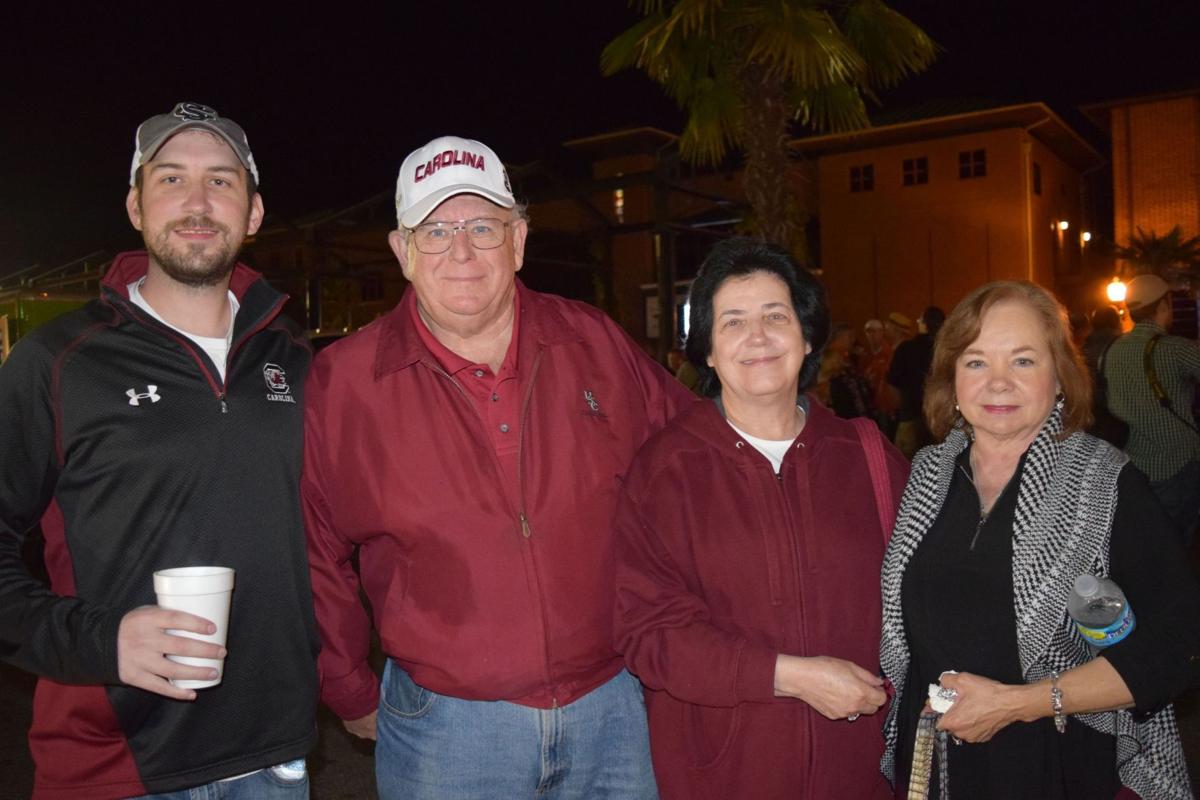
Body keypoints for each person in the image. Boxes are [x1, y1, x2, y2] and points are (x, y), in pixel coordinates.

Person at [302, 135, 694, 800]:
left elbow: (697, 463)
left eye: (483, 227)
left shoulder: (593, 341)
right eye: (435, 230)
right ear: (401, 252)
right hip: (446, 732)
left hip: (615, 711)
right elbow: (314, 548)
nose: (461, 252)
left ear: (517, 241)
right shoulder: (345, 383)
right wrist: (345, 685)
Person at [0, 102, 318, 799]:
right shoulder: (58, 361)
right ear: (135, 207)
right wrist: (97, 640)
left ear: (254, 212)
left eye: (222, 182)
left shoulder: (295, 357)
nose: (198, 203)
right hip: (116, 766)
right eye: (171, 180)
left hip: (274, 760)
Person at [880, 280, 1200, 800]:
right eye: (977, 362)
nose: (998, 383)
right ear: (952, 381)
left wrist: (1018, 703)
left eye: (1023, 361)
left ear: (1060, 377)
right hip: (937, 762)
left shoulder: (1105, 483)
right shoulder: (926, 474)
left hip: (1051, 761)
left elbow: (1177, 645)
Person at [613, 238, 909, 800]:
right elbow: (648, 632)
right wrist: (788, 676)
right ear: (707, 349)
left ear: (807, 334)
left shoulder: (867, 455)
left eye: (776, 316)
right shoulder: (666, 470)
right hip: (723, 775)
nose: (757, 338)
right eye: (733, 322)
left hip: (859, 773)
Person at [1102, 274, 1200, 546]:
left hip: (1133, 462)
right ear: (1164, 305)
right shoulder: (1174, 348)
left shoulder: (1113, 349)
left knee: (1146, 542)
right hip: (1178, 460)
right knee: (1178, 545)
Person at [888, 305, 945, 458]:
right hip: (940, 418)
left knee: (906, 466)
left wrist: (899, 411)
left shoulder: (906, 348)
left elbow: (893, 382)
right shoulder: (945, 349)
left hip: (909, 415)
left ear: (924, 323)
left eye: (919, 319)